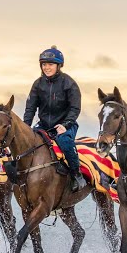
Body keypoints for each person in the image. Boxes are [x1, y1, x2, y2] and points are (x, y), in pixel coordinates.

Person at [23, 46, 86, 192]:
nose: (46, 67)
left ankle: (76, 175)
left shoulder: (69, 83)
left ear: (59, 65)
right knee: (28, 143)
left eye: (50, 64)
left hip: (65, 125)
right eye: (44, 64)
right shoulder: (37, 84)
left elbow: (75, 108)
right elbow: (30, 109)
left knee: (65, 142)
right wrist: (26, 127)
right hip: (44, 125)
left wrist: (65, 125)